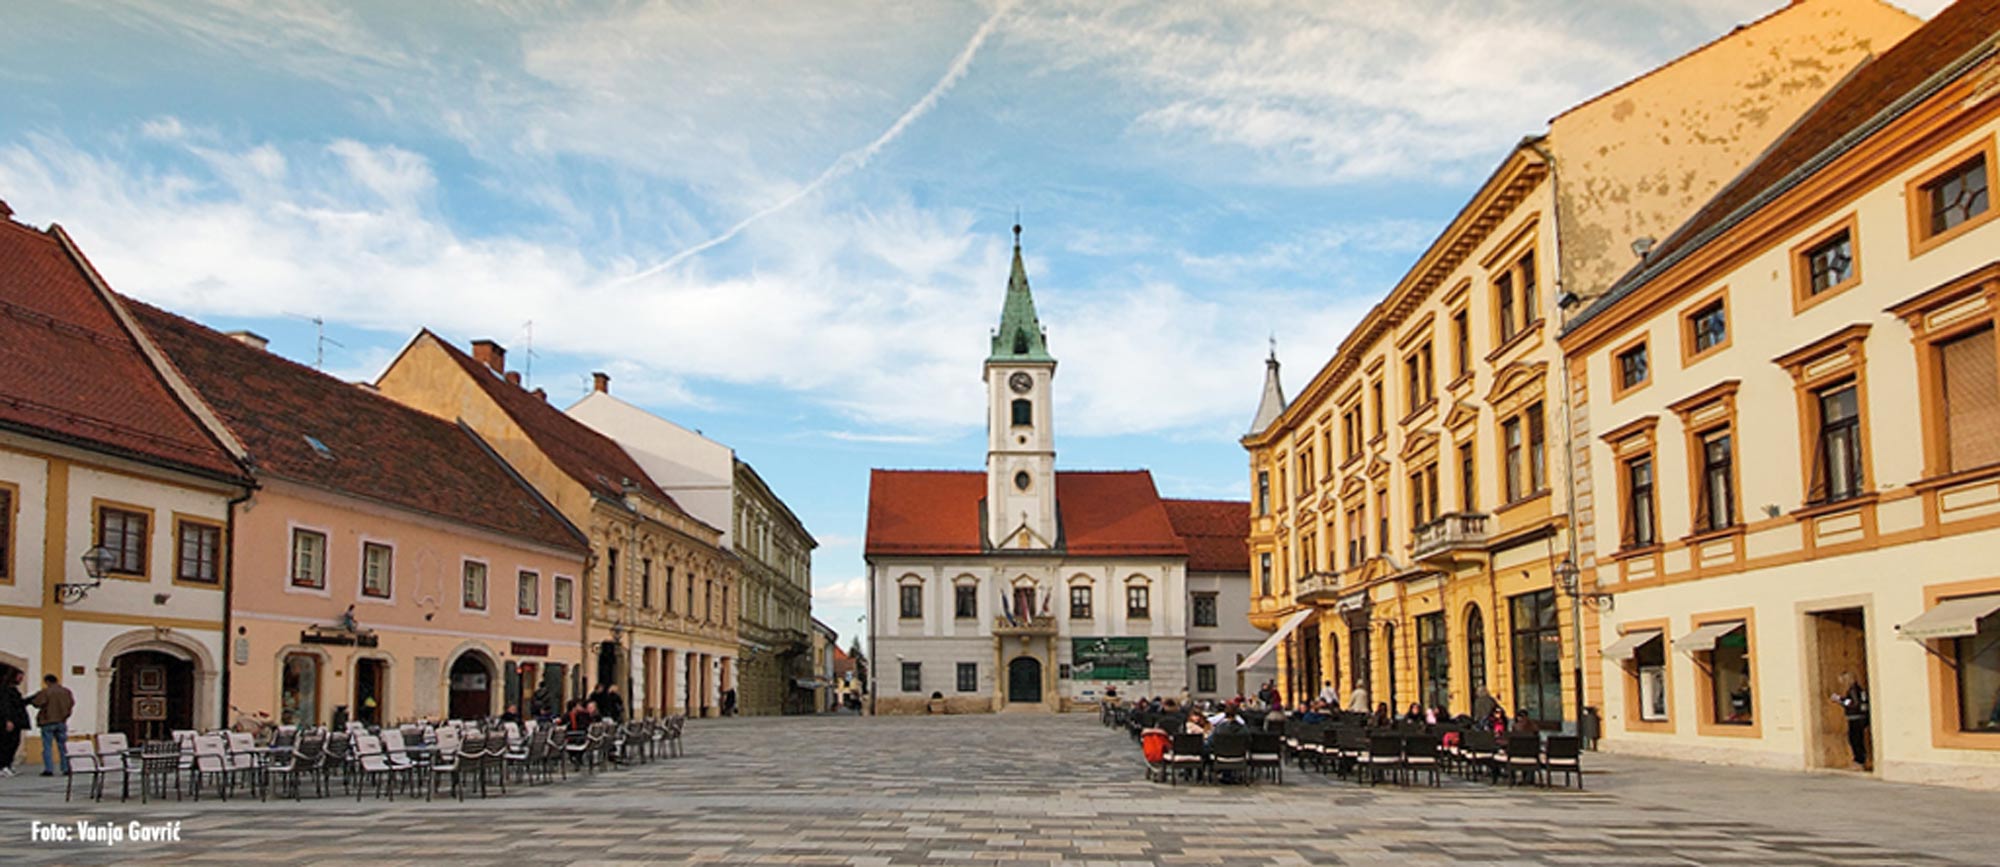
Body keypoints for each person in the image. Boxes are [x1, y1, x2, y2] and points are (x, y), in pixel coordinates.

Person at [27, 674, 73, 776]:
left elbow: (38, 703)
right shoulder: (66, 692)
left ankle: (49, 769)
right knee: (63, 746)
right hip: (61, 721)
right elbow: (71, 704)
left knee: (47, 746)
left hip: (47, 721)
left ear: (47, 681)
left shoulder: (46, 692)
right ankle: (65, 768)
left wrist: (32, 699)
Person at [1831, 672, 1869, 769]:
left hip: (1856, 717)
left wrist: (1840, 700)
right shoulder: (1859, 689)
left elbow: (1853, 703)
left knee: (1855, 739)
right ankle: (1860, 760)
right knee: (1857, 738)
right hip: (1861, 717)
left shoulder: (1853, 690)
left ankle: (1859, 761)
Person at [0, 670, 28, 778]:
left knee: (14, 743)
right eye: (20, 677)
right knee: (6, 744)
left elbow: (18, 704)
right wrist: (7, 720)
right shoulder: (5, 690)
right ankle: (3, 766)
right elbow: (5, 706)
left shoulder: (13, 690)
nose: (21, 679)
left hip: (16, 721)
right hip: (9, 722)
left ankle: (8, 765)